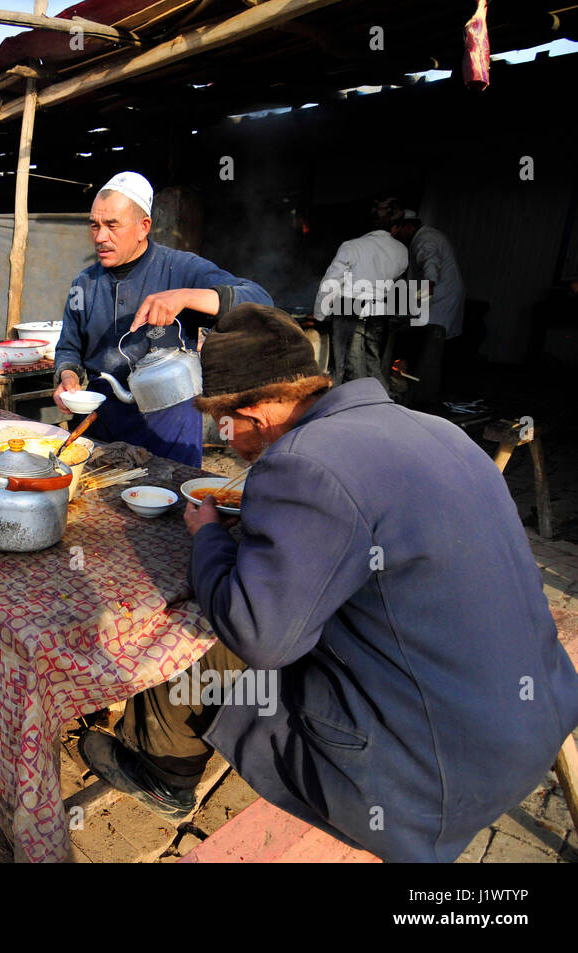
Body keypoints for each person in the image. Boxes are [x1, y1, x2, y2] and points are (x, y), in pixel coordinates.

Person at [79, 302, 578, 862]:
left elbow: (259, 634)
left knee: (204, 629)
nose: (230, 443)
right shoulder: (437, 429)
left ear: (259, 412)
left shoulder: (302, 463)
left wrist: (208, 536)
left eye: (227, 425)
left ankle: (161, 770)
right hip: (538, 716)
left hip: (434, 775)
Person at [52, 172, 272, 468]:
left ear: (143, 227)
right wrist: (67, 377)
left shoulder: (180, 268)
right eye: (95, 225)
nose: (100, 237)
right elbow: (69, 348)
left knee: (171, 507)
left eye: (112, 225)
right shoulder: (84, 283)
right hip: (98, 425)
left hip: (168, 427)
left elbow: (259, 300)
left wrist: (185, 297)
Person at [314, 203, 409, 391]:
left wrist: (320, 315)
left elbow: (331, 282)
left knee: (345, 366)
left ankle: (350, 404)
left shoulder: (352, 246)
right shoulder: (401, 250)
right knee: (372, 360)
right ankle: (381, 399)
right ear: (394, 228)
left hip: (349, 306)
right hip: (379, 309)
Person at [390, 210, 465, 341]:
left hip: (440, 297)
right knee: (432, 336)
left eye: (399, 230)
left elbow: (430, 261)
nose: (397, 234)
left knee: (431, 337)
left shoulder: (425, 239)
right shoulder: (426, 236)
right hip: (441, 295)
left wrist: (428, 285)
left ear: (409, 227)